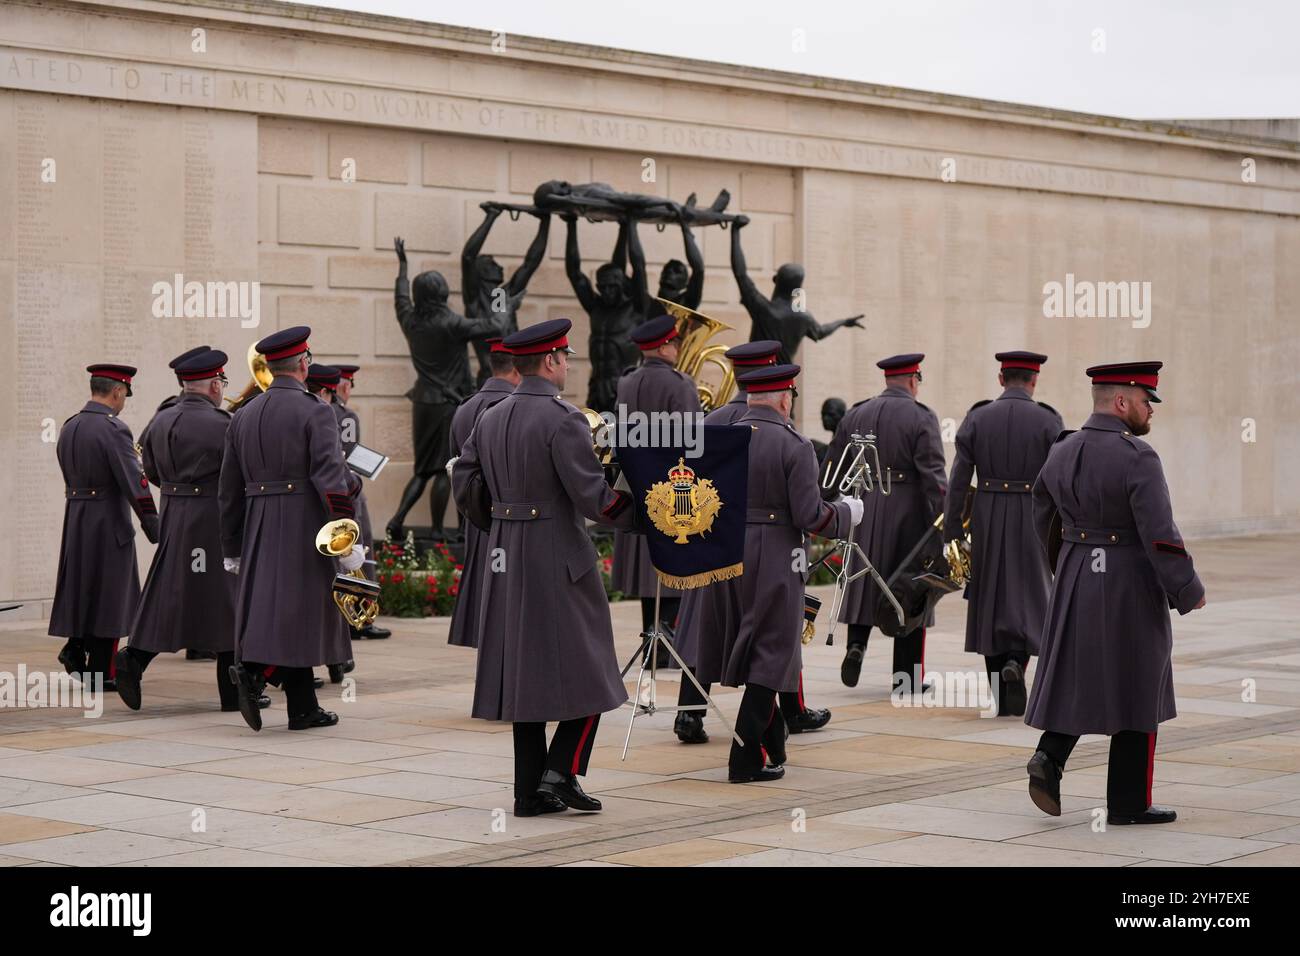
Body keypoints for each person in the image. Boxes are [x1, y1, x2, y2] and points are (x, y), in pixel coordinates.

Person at [451, 319, 637, 817]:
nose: (568, 365)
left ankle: (528, 792)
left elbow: (463, 476)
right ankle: (560, 773)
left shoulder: (490, 417)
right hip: (558, 554)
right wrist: (641, 512)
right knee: (597, 670)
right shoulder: (564, 419)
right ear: (551, 361)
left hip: (507, 554)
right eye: (565, 357)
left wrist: (496, 517)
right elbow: (594, 499)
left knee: (525, 677)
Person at [1025, 361, 1205, 825]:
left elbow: (1041, 514)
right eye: (1147, 401)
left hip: (1076, 571)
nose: (1151, 411)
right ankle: (1128, 802)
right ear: (1122, 401)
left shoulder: (1062, 449)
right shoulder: (1138, 456)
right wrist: (1187, 588)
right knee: (1138, 680)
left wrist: (1064, 568)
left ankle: (1049, 757)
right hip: (1127, 579)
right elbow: (1160, 534)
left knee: (1080, 671)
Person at [673, 341, 832, 744]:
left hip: (711, 538)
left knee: (702, 625)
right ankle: (787, 711)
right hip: (766, 544)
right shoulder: (783, 430)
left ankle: (689, 715)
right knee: (775, 629)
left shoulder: (713, 421)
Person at [219, 327, 364, 732]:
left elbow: (228, 489)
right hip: (304, 522)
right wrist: (346, 538)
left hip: (259, 524)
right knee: (301, 612)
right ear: (304, 364)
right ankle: (254, 672)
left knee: (279, 610)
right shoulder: (316, 410)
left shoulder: (243, 415)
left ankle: (302, 705)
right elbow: (330, 479)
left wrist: (231, 544)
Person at [721, 363, 859, 783]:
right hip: (778, 553)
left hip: (728, 549)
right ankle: (744, 758)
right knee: (776, 651)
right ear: (785, 398)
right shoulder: (794, 444)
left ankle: (769, 743)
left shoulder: (723, 436)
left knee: (754, 645)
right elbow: (810, 515)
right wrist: (848, 513)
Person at [115, 350, 269, 714]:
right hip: (211, 516)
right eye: (222, 383)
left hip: (174, 513)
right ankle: (232, 693)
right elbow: (238, 474)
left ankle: (133, 659)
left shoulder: (160, 420)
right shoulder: (223, 424)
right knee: (226, 602)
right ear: (215, 384)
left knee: (170, 596)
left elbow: (149, 470)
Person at [944, 351, 1062, 716]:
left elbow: (959, 480)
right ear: (1034, 380)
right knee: (1030, 594)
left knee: (989, 597)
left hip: (988, 513)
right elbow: (1060, 478)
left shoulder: (978, 417)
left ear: (1001, 378)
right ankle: (1017, 660)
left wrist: (951, 531)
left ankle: (999, 690)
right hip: (1033, 514)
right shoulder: (1048, 419)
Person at [826, 354, 946, 695]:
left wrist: (825, 510)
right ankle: (905, 679)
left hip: (863, 504)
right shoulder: (921, 416)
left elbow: (832, 466)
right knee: (909, 589)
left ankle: (856, 647)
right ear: (913, 379)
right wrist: (942, 521)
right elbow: (934, 477)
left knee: (864, 579)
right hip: (907, 509)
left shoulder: (856, 412)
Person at [386, 237, 507, 541]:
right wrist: (504, 301)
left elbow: (400, 296)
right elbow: (495, 326)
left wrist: (403, 266)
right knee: (443, 469)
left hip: (422, 402)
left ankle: (398, 519)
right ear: (442, 293)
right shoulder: (451, 323)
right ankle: (441, 530)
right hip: (448, 404)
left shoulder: (410, 321)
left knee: (422, 470)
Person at [49, 364, 159, 690]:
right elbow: (135, 483)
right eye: (124, 395)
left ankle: (75, 648)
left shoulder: (70, 426)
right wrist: (154, 527)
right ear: (117, 391)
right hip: (108, 521)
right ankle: (101, 671)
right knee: (112, 595)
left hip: (77, 518)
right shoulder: (114, 430)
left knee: (83, 589)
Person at [610, 314, 700, 666]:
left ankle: (651, 636)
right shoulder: (680, 384)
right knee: (677, 563)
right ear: (664, 346)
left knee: (649, 568)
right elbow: (693, 443)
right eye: (676, 343)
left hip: (637, 484)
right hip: (672, 484)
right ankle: (667, 637)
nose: (679, 348)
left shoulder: (627, 382)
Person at [446, 337, 520, 650]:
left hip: (474, 518)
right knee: (508, 613)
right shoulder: (511, 408)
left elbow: (453, 468)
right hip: (508, 519)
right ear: (518, 368)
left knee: (485, 607)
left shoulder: (463, 409)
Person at [730, 215, 862, 366]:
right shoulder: (803, 318)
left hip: (756, 381)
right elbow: (821, 332)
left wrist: (735, 231)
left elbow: (740, 274)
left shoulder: (763, 309)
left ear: (775, 280)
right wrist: (843, 322)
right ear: (798, 289)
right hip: (784, 383)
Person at [564, 215, 649, 414]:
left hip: (623, 387)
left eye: (612, 287)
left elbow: (639, 267)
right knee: (594, 441)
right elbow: (574, 272)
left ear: (621, 285)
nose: (607, 292)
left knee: (624, 442)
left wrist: (632, 225)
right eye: (603, 287)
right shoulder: (596, 306)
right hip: (597, 384)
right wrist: (571, 224)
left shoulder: (636, 307)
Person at [330, 364, 390, 640]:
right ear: (344, 386)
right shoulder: (345, 415)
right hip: (348, 492)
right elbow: (350, 455)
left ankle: (342, 617)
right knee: (361, 550)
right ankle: (362, 619)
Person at [461, 204, 551, 384]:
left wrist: (545, 222)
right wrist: (491, 217)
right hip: (491, 381)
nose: (500, 267)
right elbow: (468, 257)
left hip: (518, 380)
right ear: (480, 272)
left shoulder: (503, 296)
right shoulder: (475, 299)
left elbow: (530, 264)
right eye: (492, 264)